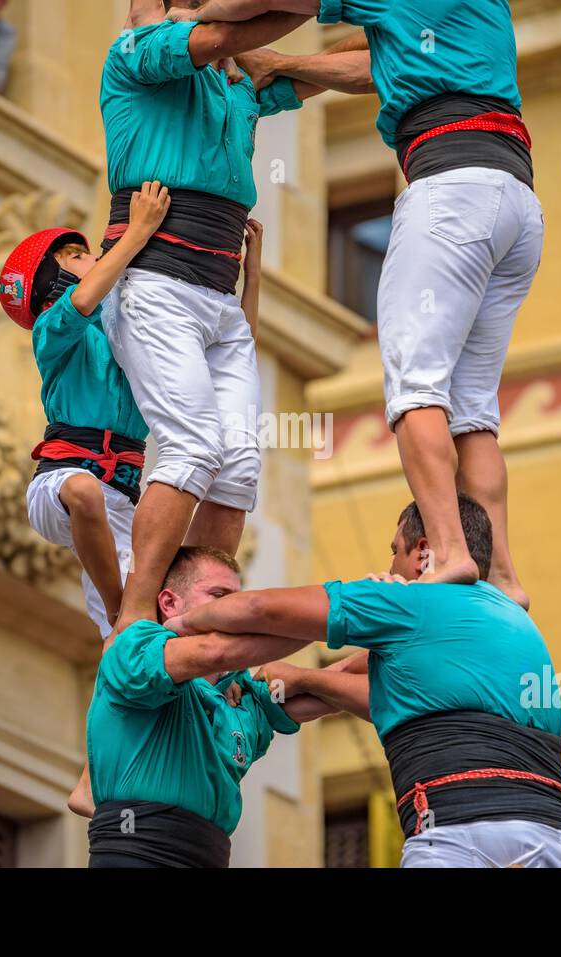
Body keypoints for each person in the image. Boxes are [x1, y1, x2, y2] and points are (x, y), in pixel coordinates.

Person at [168, 0, 543, 609]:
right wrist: (281, 66)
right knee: (473, 409)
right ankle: (503, 575)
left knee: (417, 389)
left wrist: (198, 13)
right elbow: (379, 62)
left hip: (448, 183)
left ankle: (449, 553)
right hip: (516, 195)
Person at [166, 495, 561, 868]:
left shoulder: (405, 600)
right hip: (557, 837)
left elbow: (261, 608)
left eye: (394, 553)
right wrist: (307, 678)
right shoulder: (511, 615)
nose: (389, 568)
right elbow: (402, 695)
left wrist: (179, 622)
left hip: (458, 830)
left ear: (422, 552)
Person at [100, 1, 345, 638]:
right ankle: (132, 614)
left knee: (236, 467)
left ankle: (204, 618)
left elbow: (356, 69)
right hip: (155, 281)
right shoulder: (138, 52)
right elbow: (218, 33)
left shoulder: (236, 83)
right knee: (190, 448)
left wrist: (282, 60)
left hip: (217, 298)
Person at [84, 545, 358, 867]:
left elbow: (335, 686)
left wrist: (398, 615)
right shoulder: (136, 649)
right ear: (170, 603)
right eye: (219, 595)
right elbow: (216, 653)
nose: (233, 609)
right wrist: (349, 612)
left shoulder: (242, 695)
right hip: (136, 849)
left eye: (237, 598)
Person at [0, 182, 169, 635]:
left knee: (134, 638)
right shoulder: (51, 327)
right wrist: (138, 232)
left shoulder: (126, 332)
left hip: (122, 498)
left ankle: (121, 628)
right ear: (51, 284)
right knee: (84, 493)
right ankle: (121, 608)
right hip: (60, 483)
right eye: (77, 255)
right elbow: (85, 299)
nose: (92, 256)